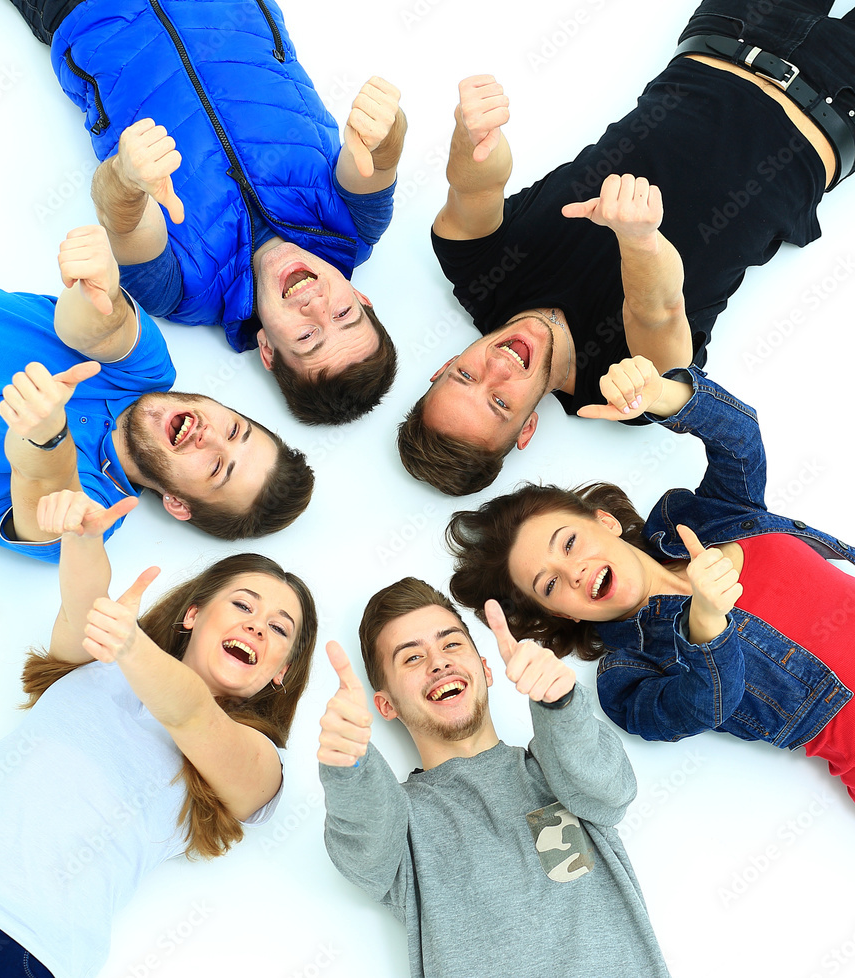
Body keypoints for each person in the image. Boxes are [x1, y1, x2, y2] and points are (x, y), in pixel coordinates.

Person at [0, 489, 317, 976]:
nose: (257, 627)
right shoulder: (102, 662)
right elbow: (82, 606)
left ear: (282, 671)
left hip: (30, 953)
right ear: (194, 615)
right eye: (243, 605)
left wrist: (132, 645)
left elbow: (192, 714)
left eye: (280, 629)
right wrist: (82, 539)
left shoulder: (263, 761)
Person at [399, 0, 855, 494]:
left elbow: (474, 190)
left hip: (733, 28)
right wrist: (637, 241)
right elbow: (658, 315)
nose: (498, 368)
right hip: (835, 105)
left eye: (465, 377)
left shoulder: (478, 274)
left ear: (443, 367)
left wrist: (473, 136)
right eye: (500, 403)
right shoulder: (625, 390)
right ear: (527, 428)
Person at [446, 356, 855, 801]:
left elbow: (740, 441)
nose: (573, 570)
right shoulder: (625, 679)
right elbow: (705, 704)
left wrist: (659, 396)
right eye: (549, 585)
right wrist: (706, 622)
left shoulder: (707, 520)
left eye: (568, 543)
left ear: (605, 522)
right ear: (560, 612)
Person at [8, 0, 405, 425]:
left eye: (308, 337)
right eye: (344, 315)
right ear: (361, 298)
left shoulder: (182, 293)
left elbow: (119, 217)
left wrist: (126, 178)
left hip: (84, 12)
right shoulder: (353, 226)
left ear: (267, 348)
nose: (316, 306)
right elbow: (377, 161)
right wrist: (386, 126)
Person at [0, 225, 314, 561]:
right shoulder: (147, 369)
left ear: (178, 503)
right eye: (234, 429)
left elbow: (44, 508)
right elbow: (91, 323)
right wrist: (101, 287)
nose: (209, 438)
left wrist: (48, 440)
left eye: (216, 467)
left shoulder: (95, 510)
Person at [316, 578, 670, 978]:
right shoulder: (403, 824)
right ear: (385, 704)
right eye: (411, 658)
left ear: (485, 670)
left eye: (451, 644)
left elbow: (612, 789)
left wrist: (561, 701)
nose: (438, 662)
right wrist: (347, 764)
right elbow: (362, 844)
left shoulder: (555, 768)